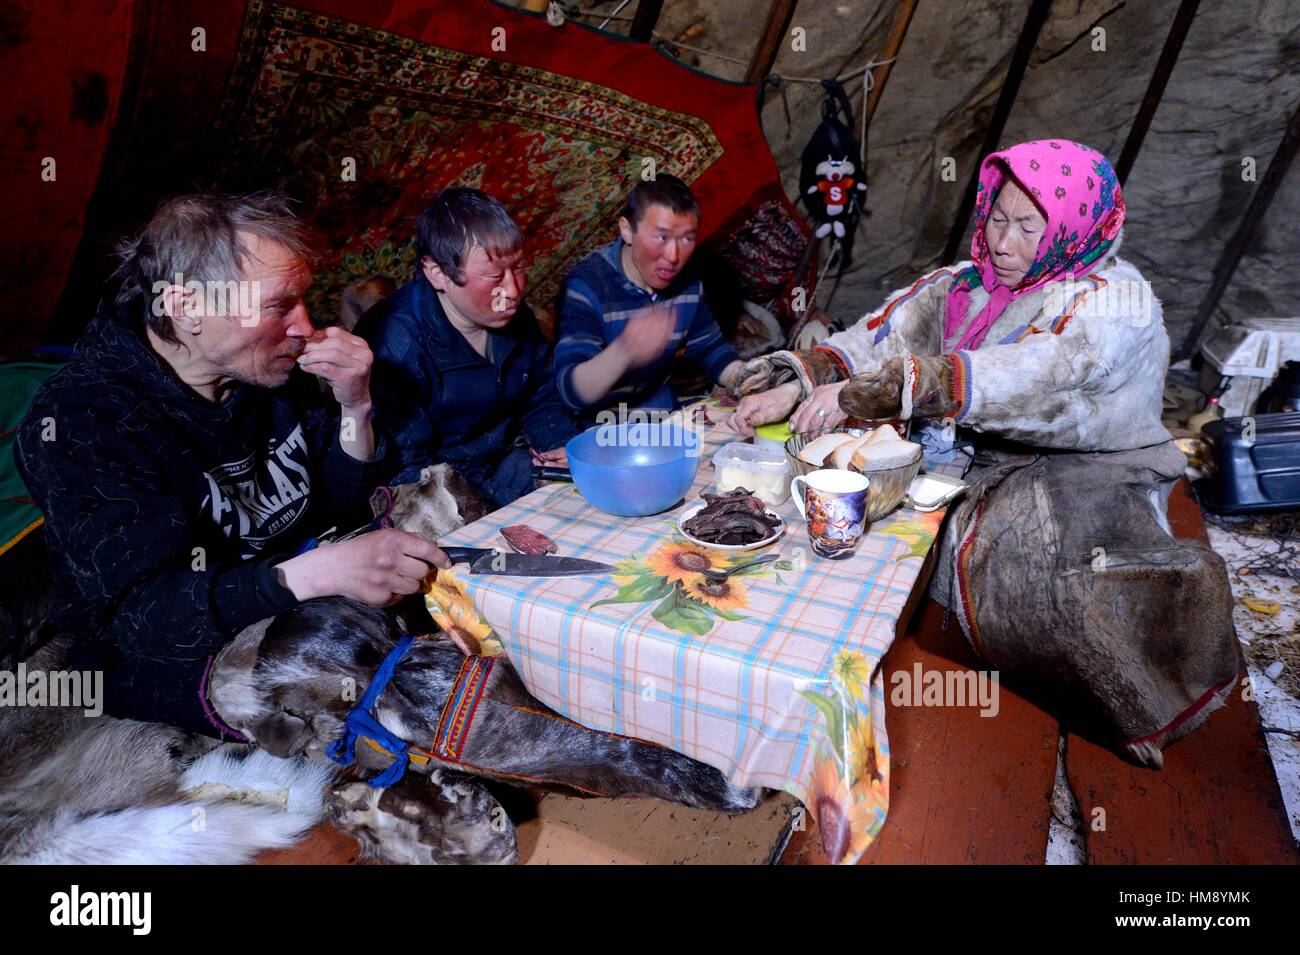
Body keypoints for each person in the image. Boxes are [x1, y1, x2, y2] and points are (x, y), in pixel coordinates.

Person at [730, 140, 1238, 768]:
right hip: (975, 454)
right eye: (997, 217)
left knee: (1061, 594)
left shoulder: (1114, 300)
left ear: (1075, 227)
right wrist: (797, 383)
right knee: (848, 527)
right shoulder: (961, 284)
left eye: (1030, 226)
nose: (1004, 241)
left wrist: (874, 394)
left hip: (1087, 467)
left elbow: (1040, 373)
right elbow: (875, 338)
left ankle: (1147, 684)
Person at [16, 193, 450, 738]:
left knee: (447, 502)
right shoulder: (83, 422)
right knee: (331, 668)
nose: (303, 326)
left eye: (303, 301)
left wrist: (355, 406)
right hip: (161, 644)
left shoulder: (262, 368)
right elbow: (147, 615)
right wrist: (320, 573)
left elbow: (334, 505)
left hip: (281, 572)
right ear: (186, 308)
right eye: (278, 306)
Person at [358, 189, 577, 508]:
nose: (513, 290)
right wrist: (502, 502)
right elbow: (410, 471)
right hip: (439, 493)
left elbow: (540, 395)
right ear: (437, 273)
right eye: (493, 276)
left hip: (506, 459)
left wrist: (560, 444)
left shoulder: (513, 312)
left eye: (517, 268)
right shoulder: (394, 345)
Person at [553, 174, 743, 423]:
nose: (674, 256)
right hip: (598, 427)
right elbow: (571, 392)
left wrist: (750, 380)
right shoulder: (587, 286)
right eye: (661, 237)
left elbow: (710, 349)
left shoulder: (687, 283)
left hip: (661, 416)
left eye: (687, 238)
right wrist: (624, 350)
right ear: (627, 231)